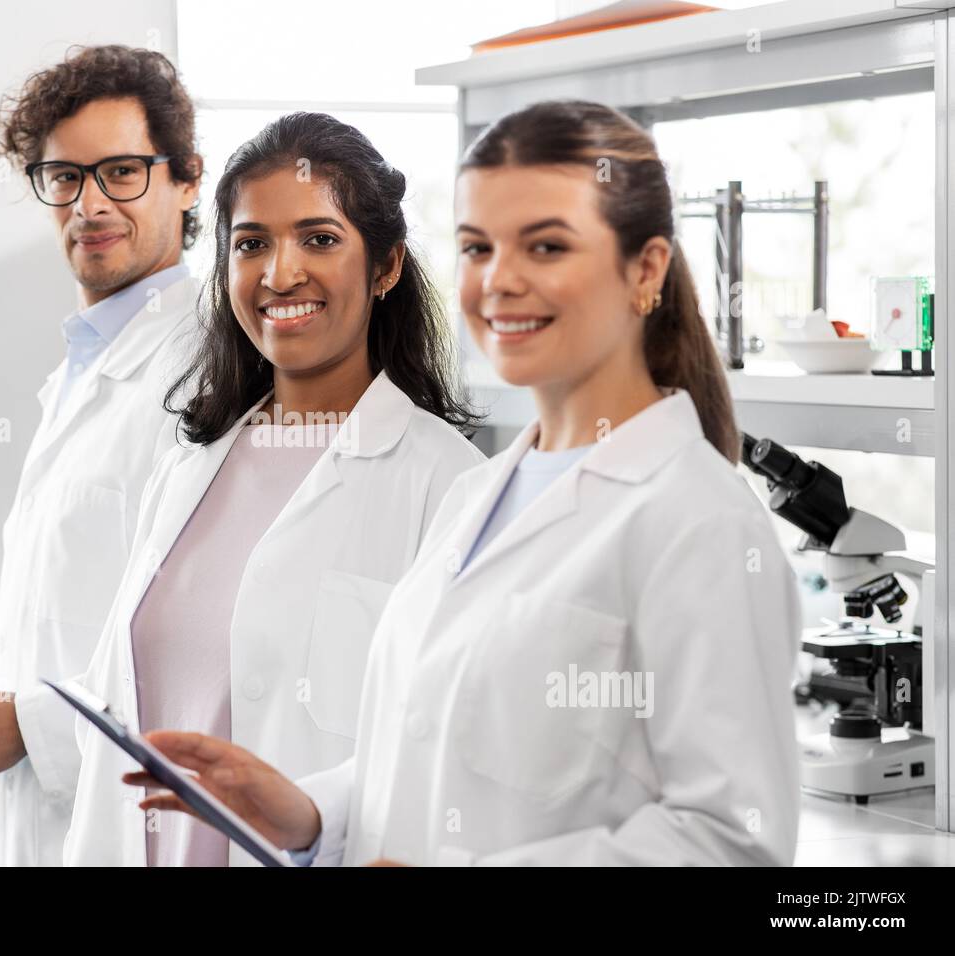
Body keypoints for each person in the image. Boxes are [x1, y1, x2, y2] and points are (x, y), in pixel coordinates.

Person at [125, 101, 803, 866]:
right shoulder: (480, 499)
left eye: (546, 246)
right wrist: (311, 812)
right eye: (479, 248)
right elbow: (421, 751)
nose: (501, 281)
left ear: (644, 269)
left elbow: (732, 840)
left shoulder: (701, 522)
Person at [61, 112, 485, 866]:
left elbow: (457, 757)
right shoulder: (187, 465)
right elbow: (115, 709)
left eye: (319, 239)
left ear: (385, 267)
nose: (280, 273)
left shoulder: (450, 487)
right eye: (251, 244)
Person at [0, 46, 203, 866]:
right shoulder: (83, 368)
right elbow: (80, 621)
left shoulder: (206, 373)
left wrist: (24, 724)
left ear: (187, 178)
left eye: (122, 171)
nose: (89, 203)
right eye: (63, 177)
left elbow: (198, 645)